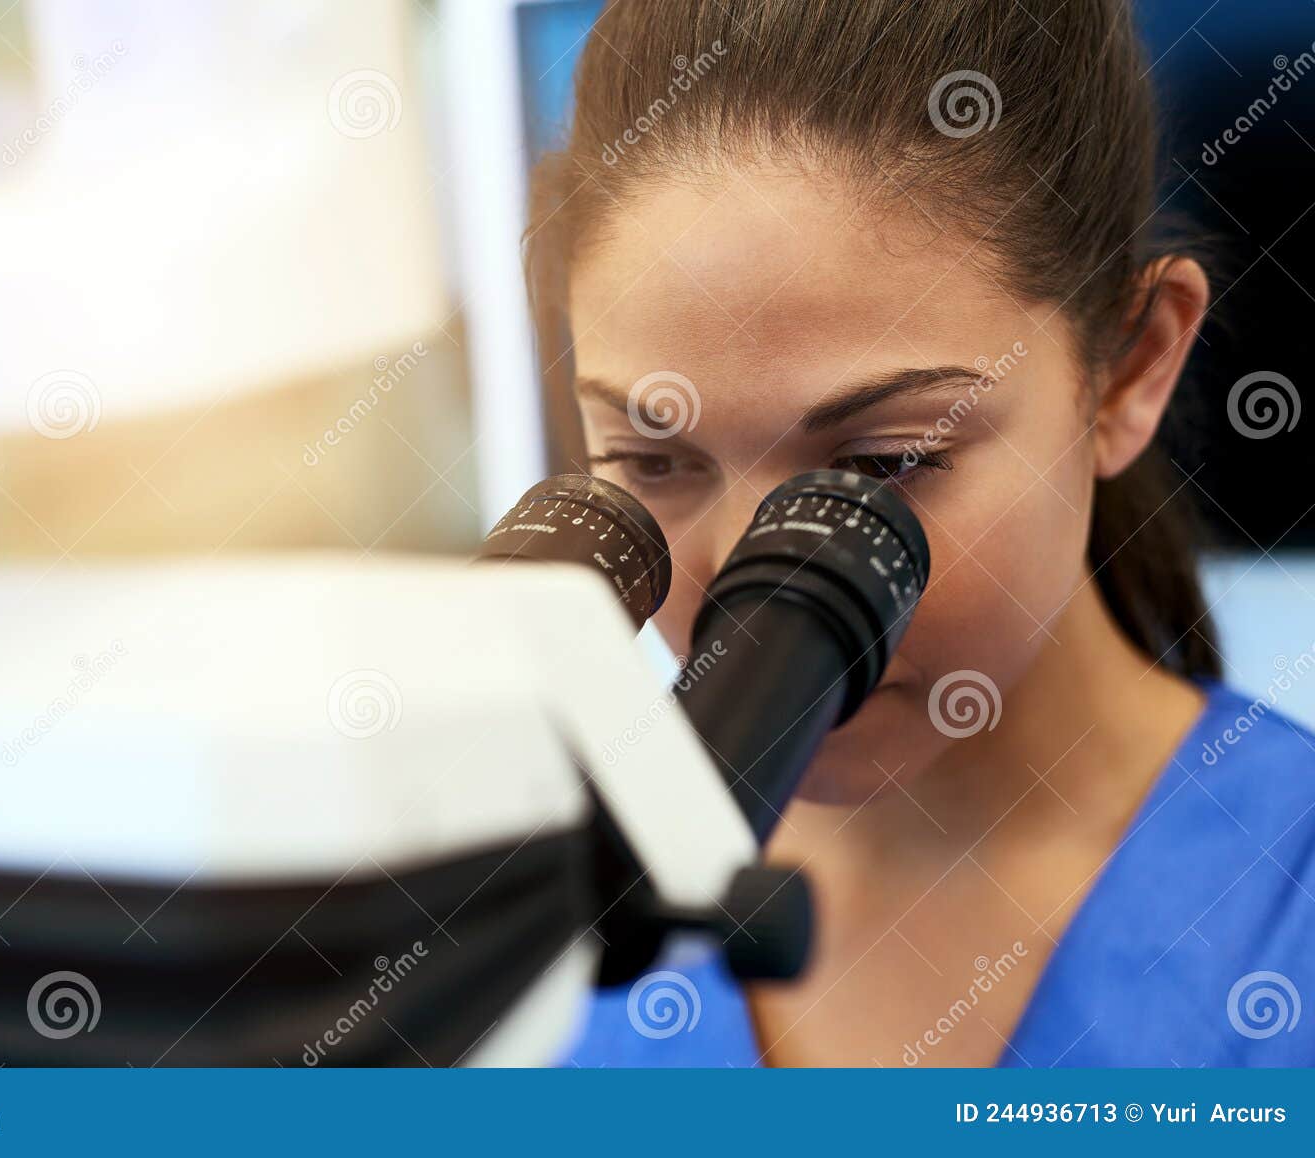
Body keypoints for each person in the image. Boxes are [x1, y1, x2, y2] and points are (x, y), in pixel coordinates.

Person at [528, 0, 1315, 1067]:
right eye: (653, 461)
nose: (744, 585)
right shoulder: (517, 904)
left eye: (879, 469)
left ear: (1128, 366)